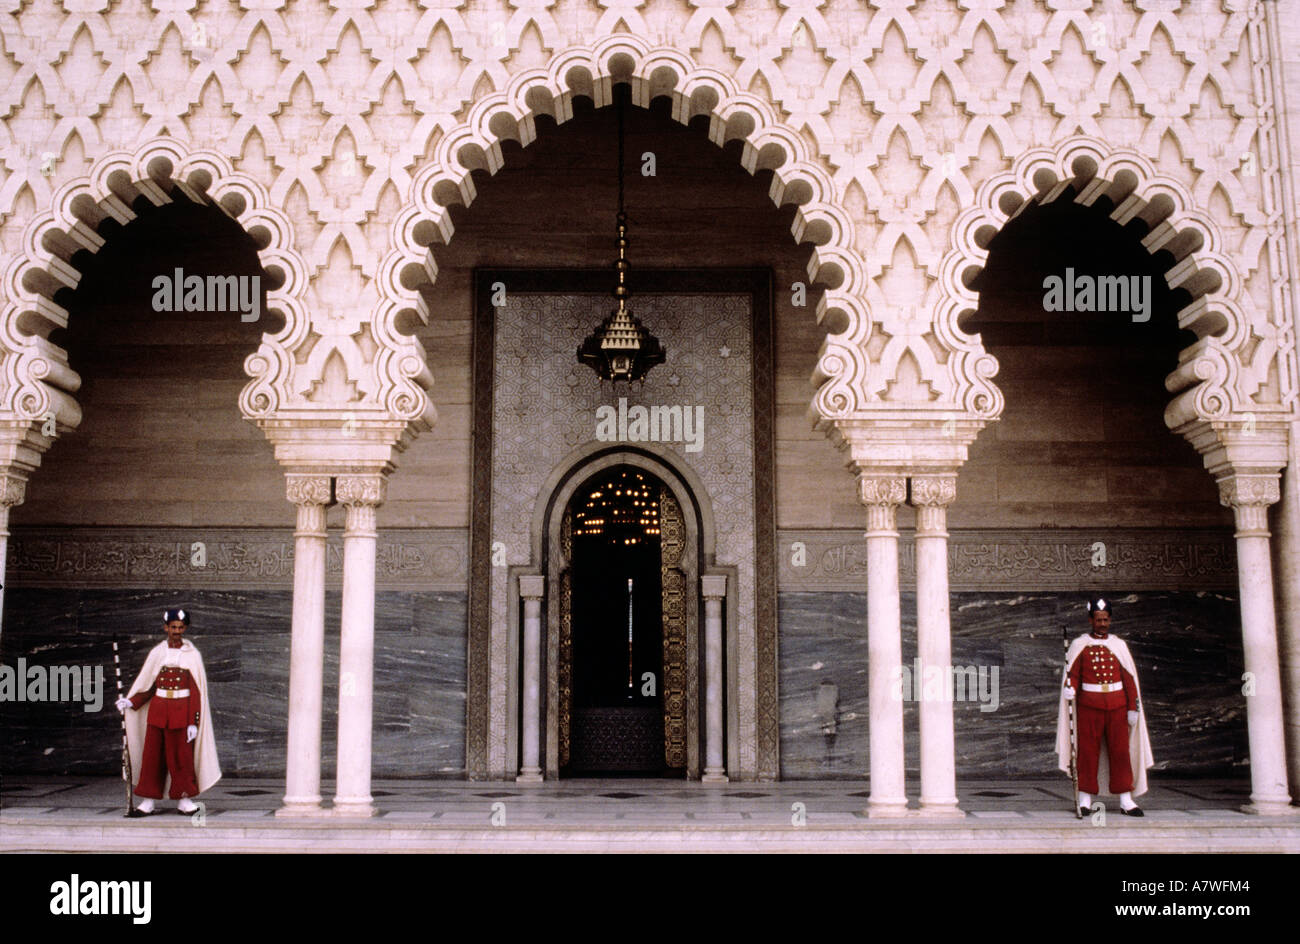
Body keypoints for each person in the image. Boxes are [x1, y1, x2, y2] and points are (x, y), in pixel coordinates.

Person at [115, 608, 221, 814]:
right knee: (152, 758)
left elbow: (196, 692)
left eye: (181, 627)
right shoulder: (157, 653)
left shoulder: (193, 655)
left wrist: (193, 722)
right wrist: (131, 701)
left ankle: (184, 798)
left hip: (181, 714)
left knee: (181, 758)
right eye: (173, 627)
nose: (177, 631)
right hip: (158, 712)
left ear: (185, 628)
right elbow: (149, 686)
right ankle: (148, 800)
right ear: (166, 627)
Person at [1056, 596, 1154, 817]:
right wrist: (1069, 687)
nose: (1102, 624)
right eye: (1098, 620)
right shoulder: (1080, 645)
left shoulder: (1119, 645)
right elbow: (1073, 674)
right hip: (1089, 707)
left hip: (1117, 707)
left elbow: (1129, 679)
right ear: (1091, 620)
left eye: (1106, 620)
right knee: (1087, 753)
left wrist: (1132, 707)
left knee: (1121, 752)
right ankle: (1085, 799)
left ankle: (1126, 800)